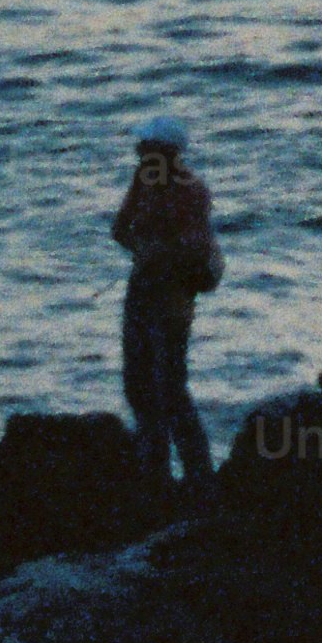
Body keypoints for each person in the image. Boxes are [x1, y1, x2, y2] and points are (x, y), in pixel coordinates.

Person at [111, 121, 222, 491]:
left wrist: (159, 252)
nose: (140, 155)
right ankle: (154, 471)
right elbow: (120, 228)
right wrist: (143, 249)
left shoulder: (191, 192)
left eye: (147, 149)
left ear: (168, 153)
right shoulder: (143, 182)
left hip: (173, 295)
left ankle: (198, 475)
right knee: (138, 382)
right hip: (144, 288)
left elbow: (194, 248)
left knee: (170, 386)